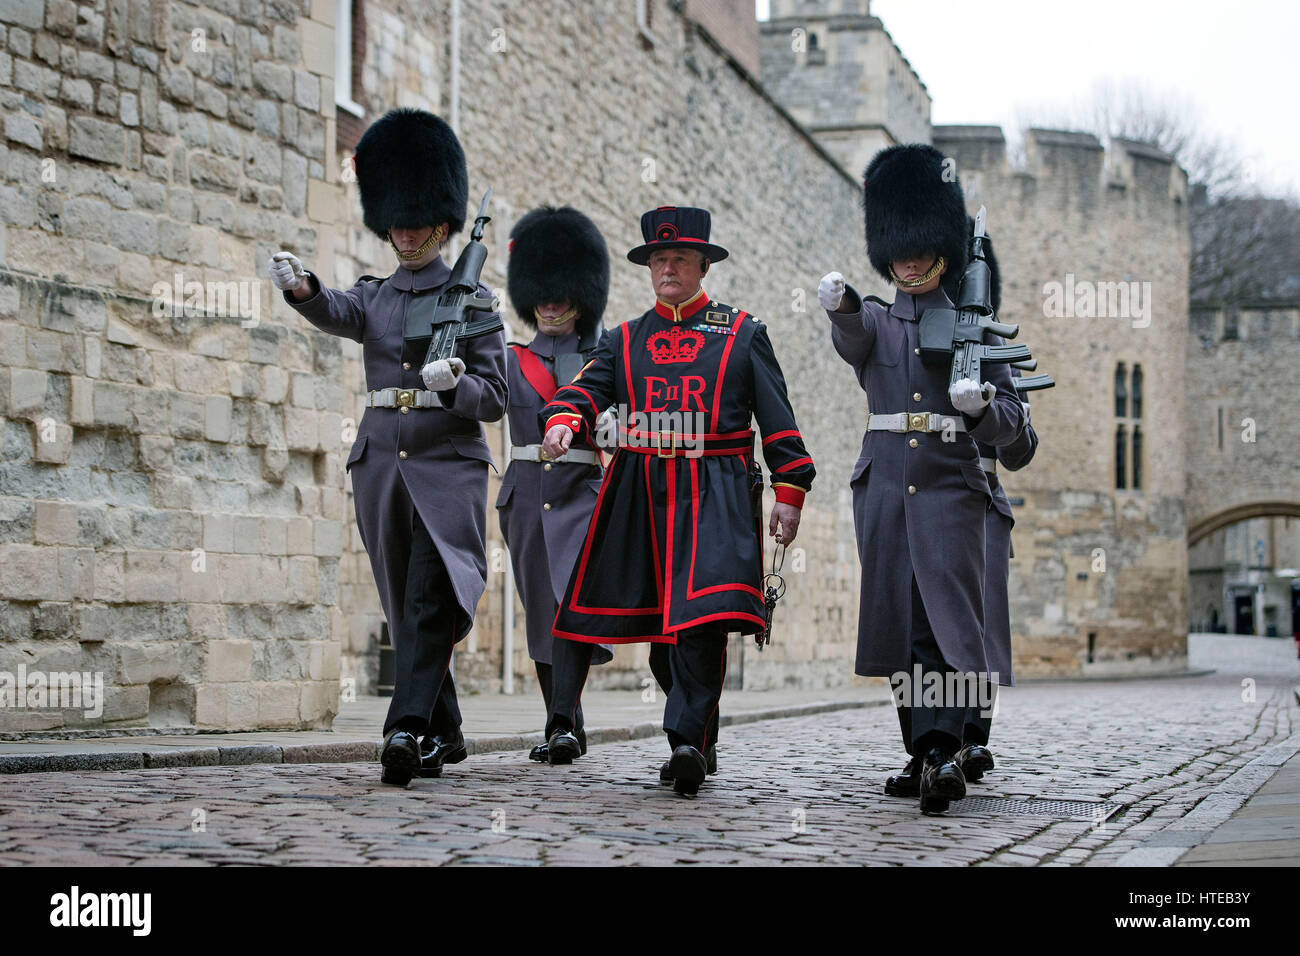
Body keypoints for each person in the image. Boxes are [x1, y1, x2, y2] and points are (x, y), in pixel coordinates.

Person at [538, 205, 815, 795]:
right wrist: (565, 420)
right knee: (662, 637)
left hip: (715, 488)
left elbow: (779, 423)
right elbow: (586, 389)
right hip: (640, 491)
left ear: (701, 266)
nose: (668, 268)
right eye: (659, 259)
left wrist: (789, 492)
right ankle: (697, 734)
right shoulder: (625, 337)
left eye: (680, 259)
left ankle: (686, 743)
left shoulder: (744, 333)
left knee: (700, 623)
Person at [268, 108, 507, 786]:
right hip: (382, 466)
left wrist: (457, 383)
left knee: (432, 594)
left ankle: (404, 729)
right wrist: (302, 287)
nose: (404, 233)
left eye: (416, 222)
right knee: (407, 605)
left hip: (448, 469)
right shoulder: (376, 295)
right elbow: (336, 309)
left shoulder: (477, 300)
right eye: (395, 222)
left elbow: (495, 396)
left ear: (441, 224)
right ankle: (446, 734)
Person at [818, 144, 1025, 814]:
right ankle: (921, 747)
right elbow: (855, 339)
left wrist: (985, 409)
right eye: (897, 249)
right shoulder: (878, 319)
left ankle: (945, 749)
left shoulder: (976, 324)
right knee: (901, 632)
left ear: (941, 247)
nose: (908, 260)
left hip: (951, 491)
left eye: (918, 248)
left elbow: (1021, 437)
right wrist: (842, 306)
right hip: (885, 491)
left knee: (947, 631)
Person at [498, 206, 615, 763]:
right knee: (542, 609)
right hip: (525, 495)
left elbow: (633, 412)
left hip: (583, 494)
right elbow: (479, 401)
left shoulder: (604, 357)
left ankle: (562, 722)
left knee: (572, 603)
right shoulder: (508, 358)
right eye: (541, 295)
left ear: (579, 295)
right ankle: (563, 720)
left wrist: (618, 424)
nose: (549, 304)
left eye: (560, 294)